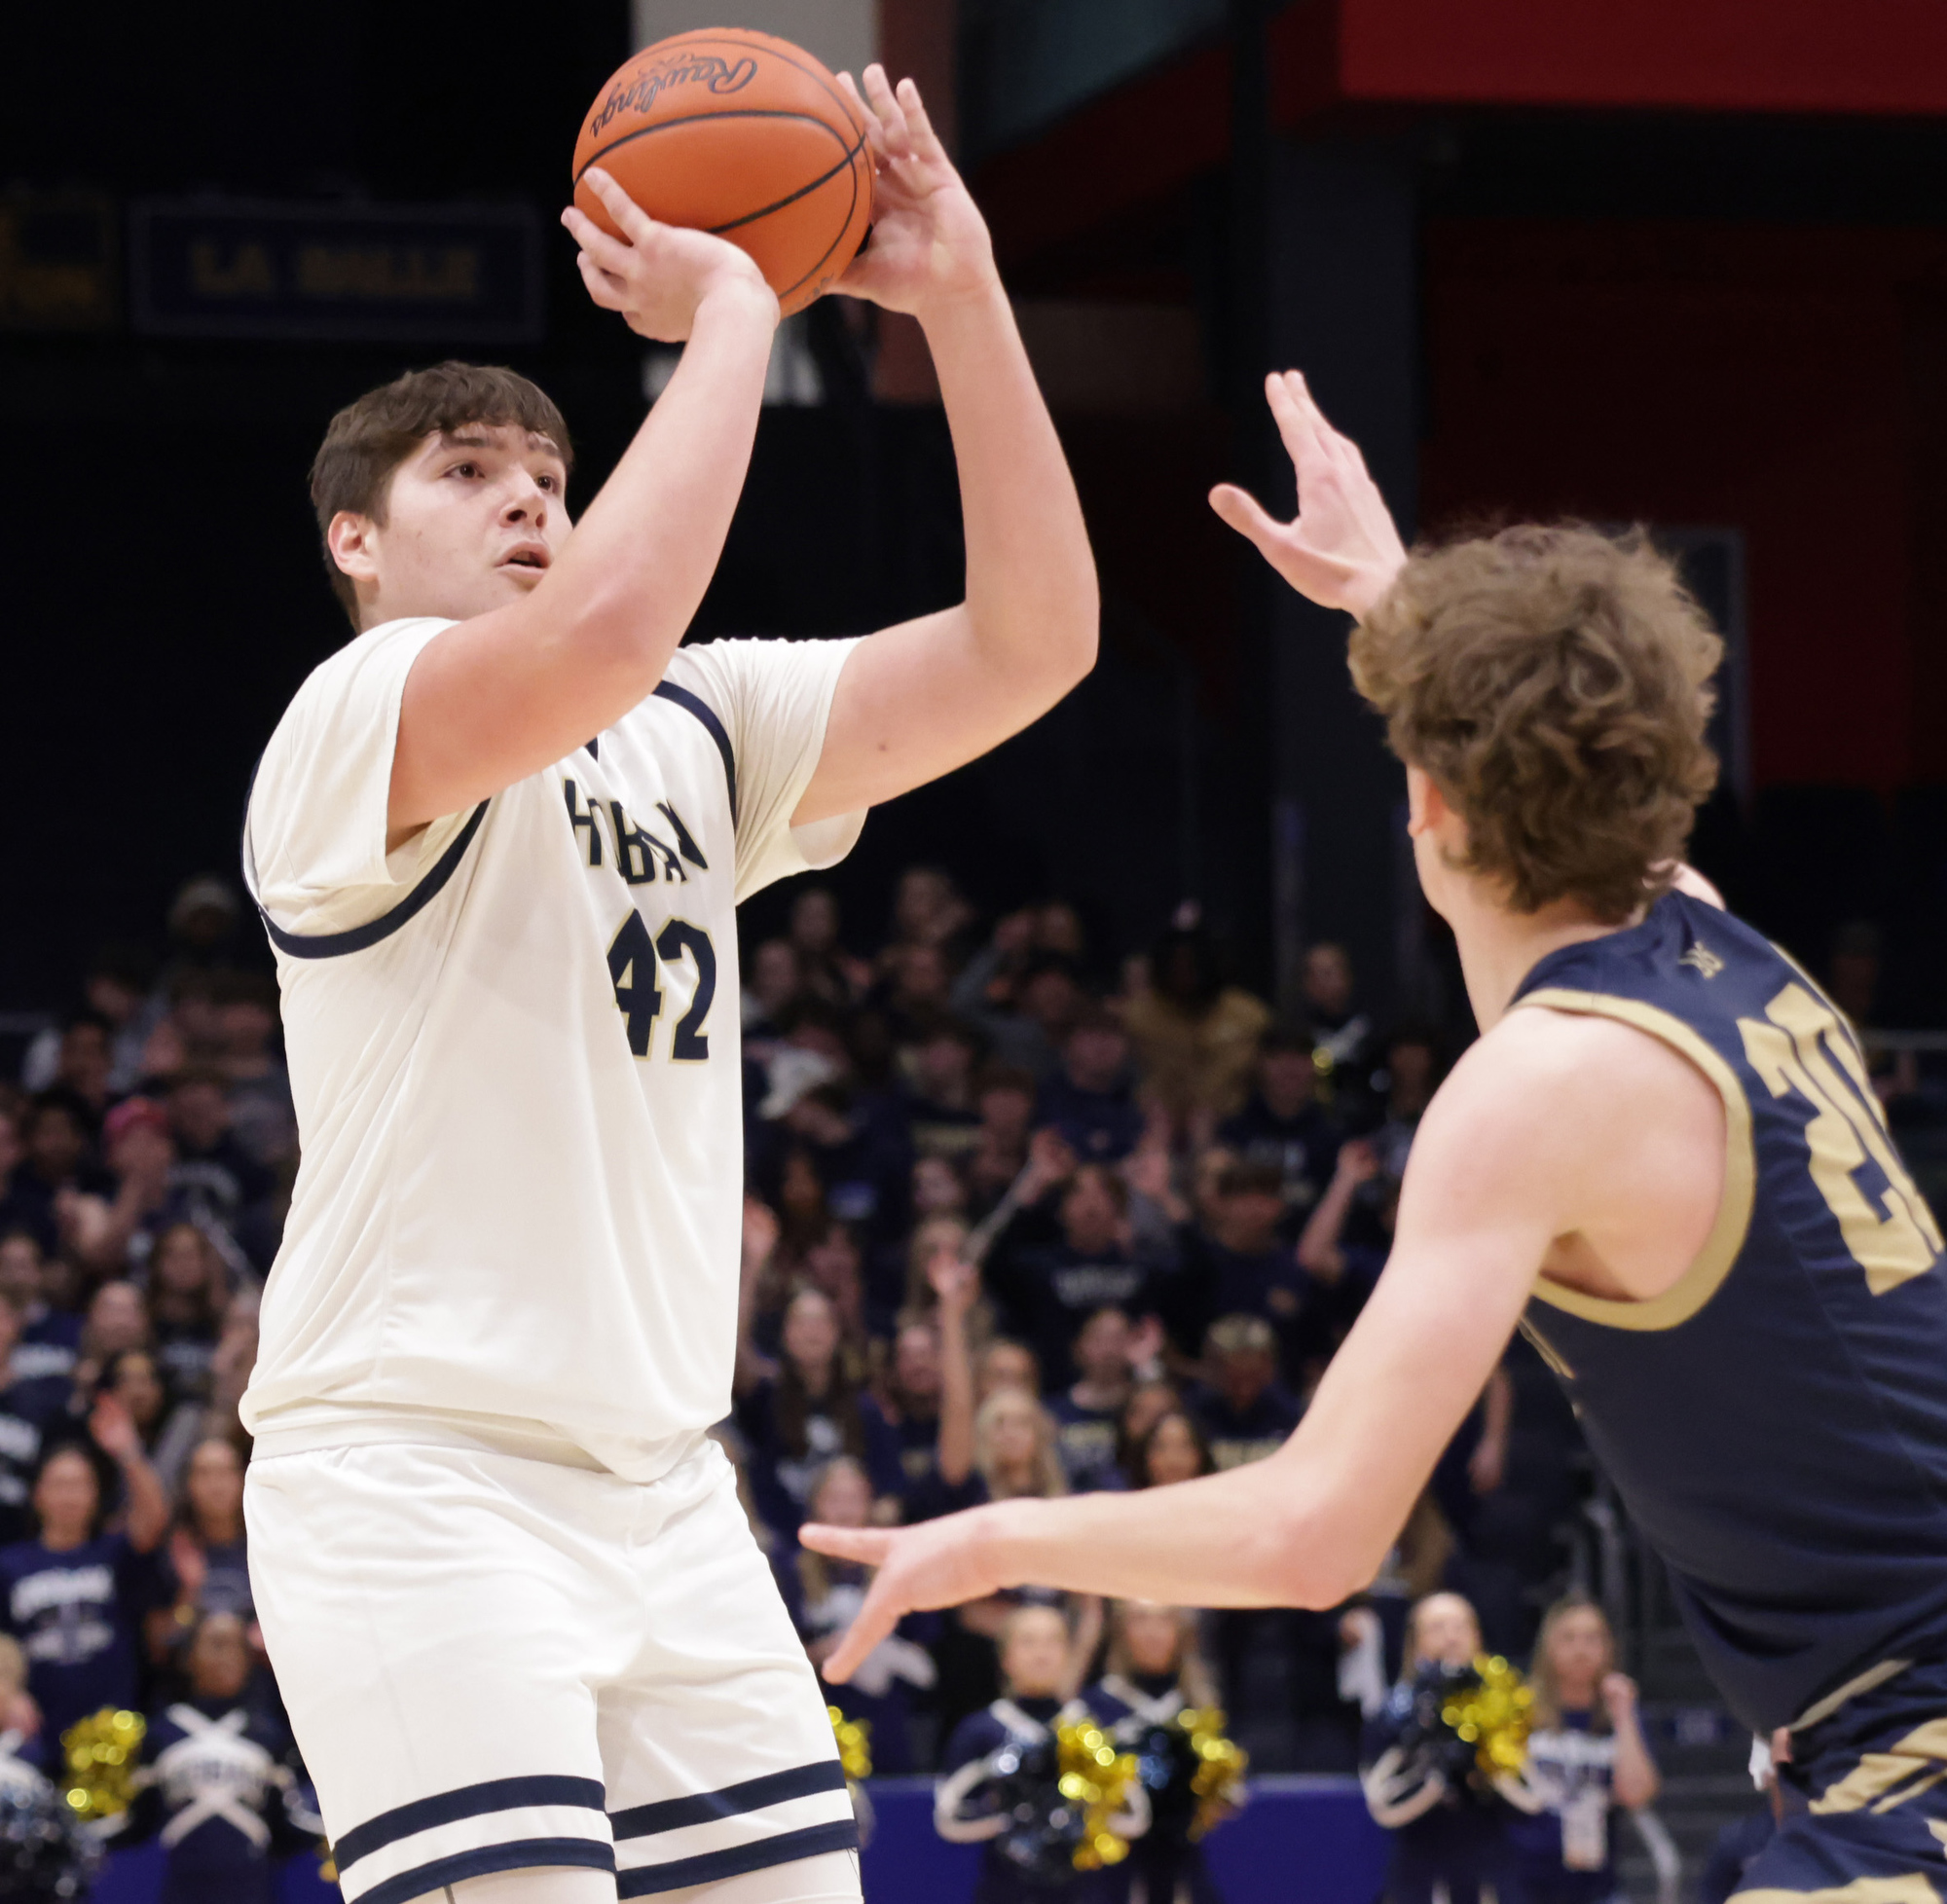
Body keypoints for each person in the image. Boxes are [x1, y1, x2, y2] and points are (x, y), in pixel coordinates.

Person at [802, 367, 1947, 1904]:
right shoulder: (1726, 947)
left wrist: (998, 1538)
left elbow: (1312, 1536)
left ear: (1425, 810)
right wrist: (1395, 604)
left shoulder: (1538, 1088)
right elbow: (1560, 751)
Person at [238, 57, 1096, 1904]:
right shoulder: (354, 718)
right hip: (421, 1482)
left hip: (669, 1488)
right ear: (357, 542)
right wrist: (735, 306)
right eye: (470, 476)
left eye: (551, 472)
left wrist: (960, 291)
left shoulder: (695, 721)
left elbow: (1038, 642)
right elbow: (609, 623)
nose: (531, 500)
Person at [935, 1602, 1147, 1903]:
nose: (1041, 1653)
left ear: (1068, 1653)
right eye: (1028, 1642)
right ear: (1005, 1657)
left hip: (1085, 1890)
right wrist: (1013, 1812)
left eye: (1052, 1641)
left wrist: (1084, 1813)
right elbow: (949, 1820)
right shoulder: (980, 1730)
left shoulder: (1097, 1727)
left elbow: (1135, 1816)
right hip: (1006, 1890)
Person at [0, 1400, 172, 1743]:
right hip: (34, 1733)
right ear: (38, 1494)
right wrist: (6, 1693)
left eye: (79, 1485)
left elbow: (153, 1522)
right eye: (59, 1485)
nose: (69, 1496)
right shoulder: (10, 1564)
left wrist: (129, 1452)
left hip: (112, 1734)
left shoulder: (112, 1553)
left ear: (96, 1495)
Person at [124, 1610, 320, 1904]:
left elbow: (286, 1827)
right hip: (181, 1894)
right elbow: (138, 1823)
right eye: (217, 1644)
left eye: (238, 1646)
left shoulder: (267, 1733)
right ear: (188, 1657)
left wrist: (338, 1831)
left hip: (253, 1892)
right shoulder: (161, 1733)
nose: (228, 1656)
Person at [1362, 1593, 1513, 1904]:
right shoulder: (1393, 1712)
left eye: (1461, 1626)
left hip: (1489, 1869)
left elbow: (1531, 1796)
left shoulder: (1509, 1708)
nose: (1451, 1637)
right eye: (1437, 1627)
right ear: (1414, 1643)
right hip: (1418, 1869)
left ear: (1478, 1637)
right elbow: (1379, 1798)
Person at [1084, 1601, 1239, 1904]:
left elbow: (1226, 1797)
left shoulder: (1200, 1707)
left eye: (1163, 1621)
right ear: (1119, 1630)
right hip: (1114, 1872)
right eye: (1140, 1620)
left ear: (1181, 1631)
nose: (1152, 1633)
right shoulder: (1093, 1707)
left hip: (1183, 1867)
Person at [1504, 1596, 1657, 1904]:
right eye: (1568, 1638)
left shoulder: (1618, 1713)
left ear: (1607, 1647)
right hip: (1524, 1886)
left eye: (1592, 1638)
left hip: (1597, 1885)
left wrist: (1624, 1716)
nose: (1580, 1649)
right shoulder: (1518, 1709)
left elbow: (1637, 1794)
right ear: (1548, 1646)